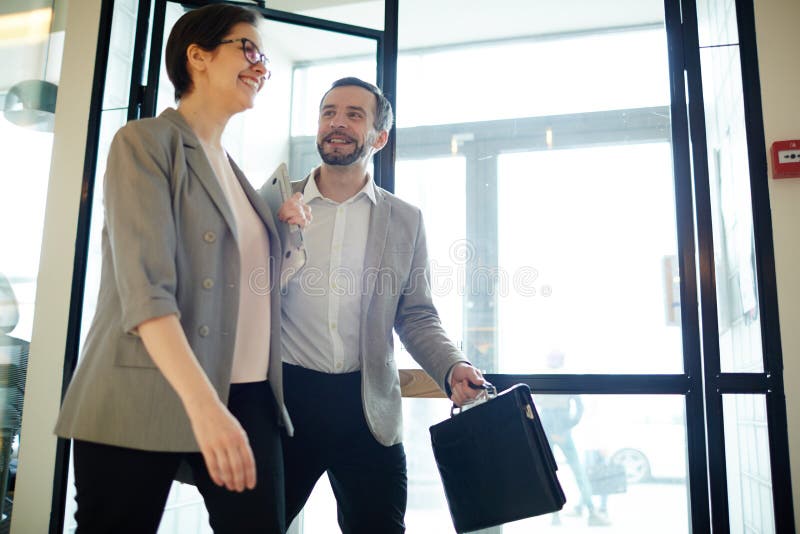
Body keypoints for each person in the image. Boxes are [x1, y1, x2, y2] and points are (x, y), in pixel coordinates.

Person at [54, 5, 310, 533]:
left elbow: (252, 291)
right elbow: (147, 290)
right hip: (140, 390)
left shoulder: (238, 176)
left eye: (264, 59)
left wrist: (284, 232)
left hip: (248, 394)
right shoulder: (144, 143)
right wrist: (206, 407)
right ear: (197, 56)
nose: (262, 67)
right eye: (250, 49)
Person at [278, 77, 485, 533]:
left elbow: (416, 314)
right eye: (329, 112)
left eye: (355, 115)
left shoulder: (405, 220)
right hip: (285, 404)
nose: (338, 123)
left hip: (367, 407)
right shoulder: (273, 201)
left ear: (379, 136)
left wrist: (452, 367)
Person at [537, 350, 611, 527]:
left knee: (563, 471)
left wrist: (564, 426)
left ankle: (582, 511)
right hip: (555, 425)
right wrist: (565, 426)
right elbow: (578, 407)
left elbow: (578, 407)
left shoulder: (556, 377)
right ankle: (586, 511)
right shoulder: (559, 377)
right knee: (568, 471)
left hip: (555, 425)